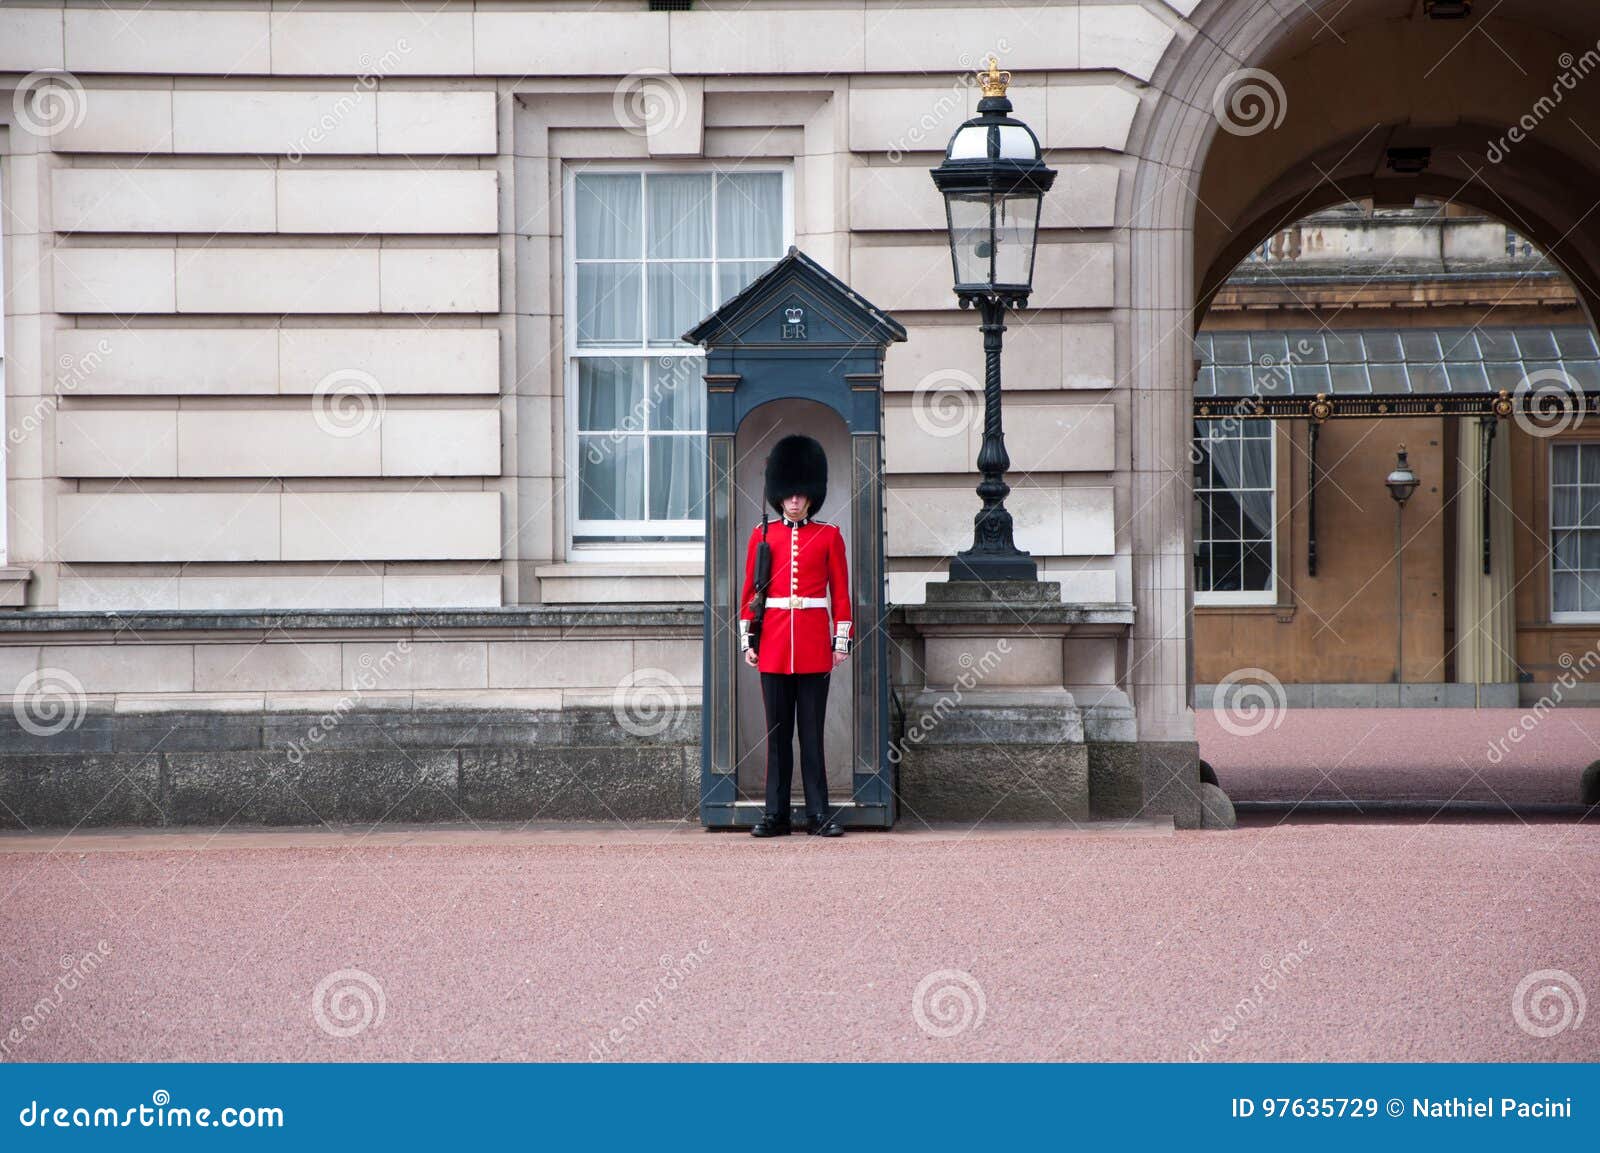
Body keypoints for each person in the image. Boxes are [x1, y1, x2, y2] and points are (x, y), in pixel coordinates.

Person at [738, 434, 851, 838]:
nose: (795, 501)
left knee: (812, 736)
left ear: (811, 496)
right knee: (777, 737)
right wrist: (748, 640)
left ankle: (818, 814)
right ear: (779, 494)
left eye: (802, 494)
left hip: (813, 647)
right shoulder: (762, 535)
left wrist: (840, 642)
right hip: (772, 646)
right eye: (789, 494)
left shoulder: (829, 536)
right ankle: (777, 813)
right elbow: (752, 592)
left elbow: (840, 593)